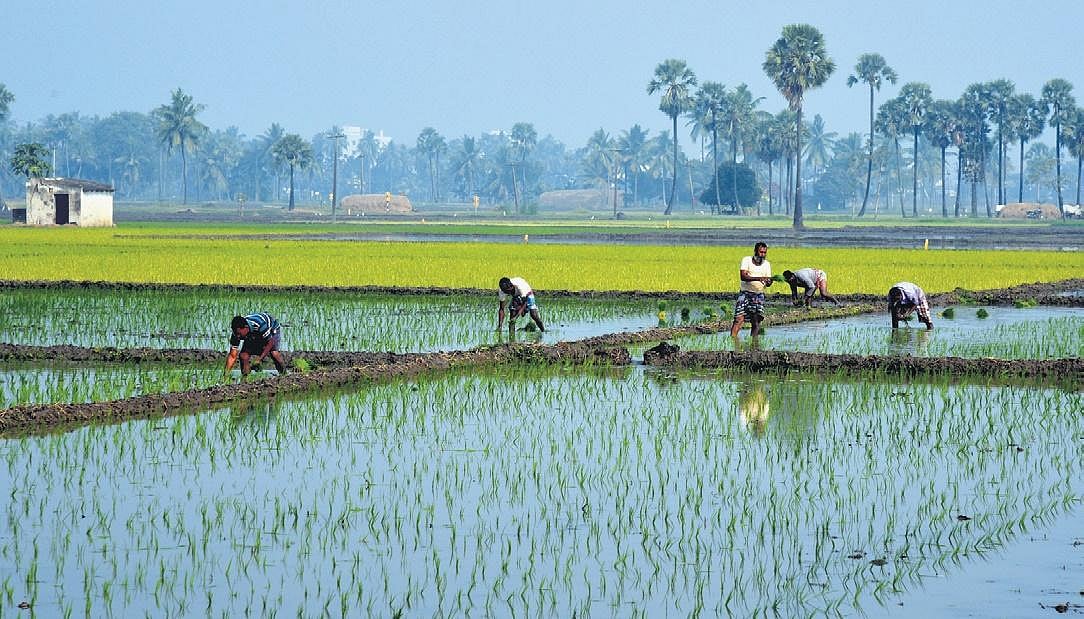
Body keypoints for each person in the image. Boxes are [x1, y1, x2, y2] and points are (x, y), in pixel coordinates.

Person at [730, 242, 773, 338]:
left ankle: (754, 344)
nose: (762, 254)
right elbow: (743, 276)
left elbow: (768, 281)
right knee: (739, 319)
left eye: (764, 252)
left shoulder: (767, 264)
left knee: (756, 321)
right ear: (755, 251)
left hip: (758, 295)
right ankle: (732, 341)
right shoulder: (747, 260)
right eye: (760, 252)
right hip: (745, 294)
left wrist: (769, 282)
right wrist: (759, 278)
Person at [225, 312, 287, 377]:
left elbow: (270, 342)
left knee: (274, 353)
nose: (238, 337)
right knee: (243, 356)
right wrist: (226, 375)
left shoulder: (260, 325)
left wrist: (259, 359)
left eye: (239, 334)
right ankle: (245, 380)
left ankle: (284, 375)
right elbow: (232, 355)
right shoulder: (236, 333)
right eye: (236, 334)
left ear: (246, 328)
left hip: (272, 329)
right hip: (253, 333)